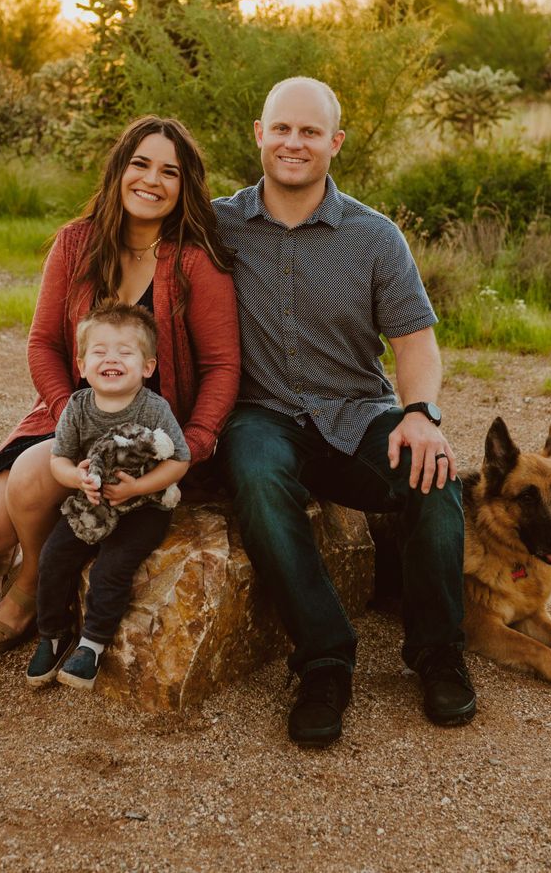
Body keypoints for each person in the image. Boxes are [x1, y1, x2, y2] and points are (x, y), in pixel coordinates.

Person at [213, 76, 475, 745]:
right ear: (259, 134)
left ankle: (438, 653)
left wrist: (420, 413)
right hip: (264, 416)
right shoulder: (219, 226)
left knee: (434, 475)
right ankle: (326, 661)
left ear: (335, 142)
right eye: (282, 128)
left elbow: (416, 342)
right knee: (256, 473)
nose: (293, 142)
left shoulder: (375, 236)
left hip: (359, 414)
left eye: (309, 131)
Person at [0, 115, 239, 653]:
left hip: (145, 440)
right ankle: (3, 558)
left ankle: (31, 585)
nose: (151, 181)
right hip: (70, 416)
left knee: (32, 477)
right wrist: (72, 413)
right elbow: (43, 344)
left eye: (169, 172)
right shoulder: (74, 244)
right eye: (140, 164)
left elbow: (224, 366)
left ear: (185, 187)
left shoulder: (196, 260)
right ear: (119, 169)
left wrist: (197, 440)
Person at [25, 301, 190, 689]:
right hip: (91, 504)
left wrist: (138, 487)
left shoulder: (154, 409)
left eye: (124, 352)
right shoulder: (78, 407)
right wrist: (75, 477)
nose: (110, 359)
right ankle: (52, 633)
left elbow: (180, 461)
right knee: (53, 556)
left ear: (147, 367)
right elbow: (59, 459)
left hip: (143, 507)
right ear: (82, 365)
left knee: (111, 567)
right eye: (99, 352)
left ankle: (91, 645)